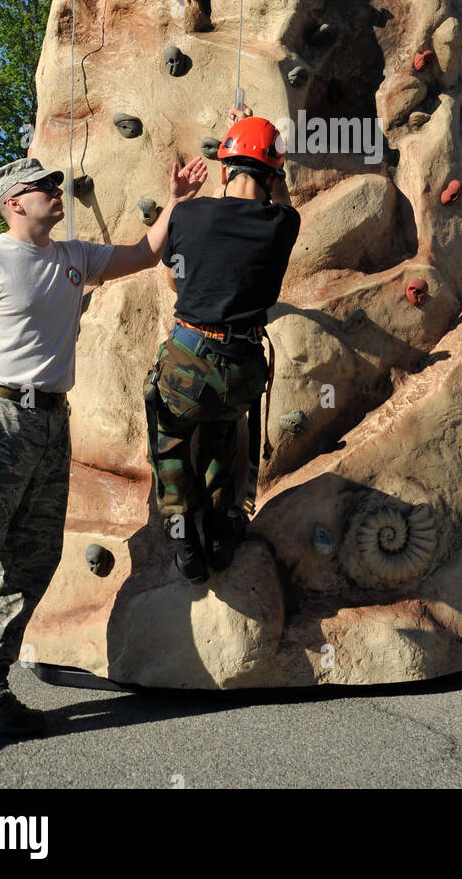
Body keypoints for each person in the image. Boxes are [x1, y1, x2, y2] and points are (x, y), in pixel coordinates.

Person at [0, 152, 206, 773]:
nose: (55, 192)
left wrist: (174, 198)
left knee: (31, 562)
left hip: (49, 422)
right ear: (15, 202)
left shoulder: (74, 258)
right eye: (42, 188)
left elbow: (145, 253)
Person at [146, 105, 301, 586]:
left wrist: (188, 196)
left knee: (170, 439)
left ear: (223, 168)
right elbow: (261, 201)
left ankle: (180, 533)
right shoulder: (284, 225)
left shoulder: (189, 214)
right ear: (275, 177)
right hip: (244, 368)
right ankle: (216, 531)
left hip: (191, 358)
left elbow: (175, 281)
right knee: (219, 440)